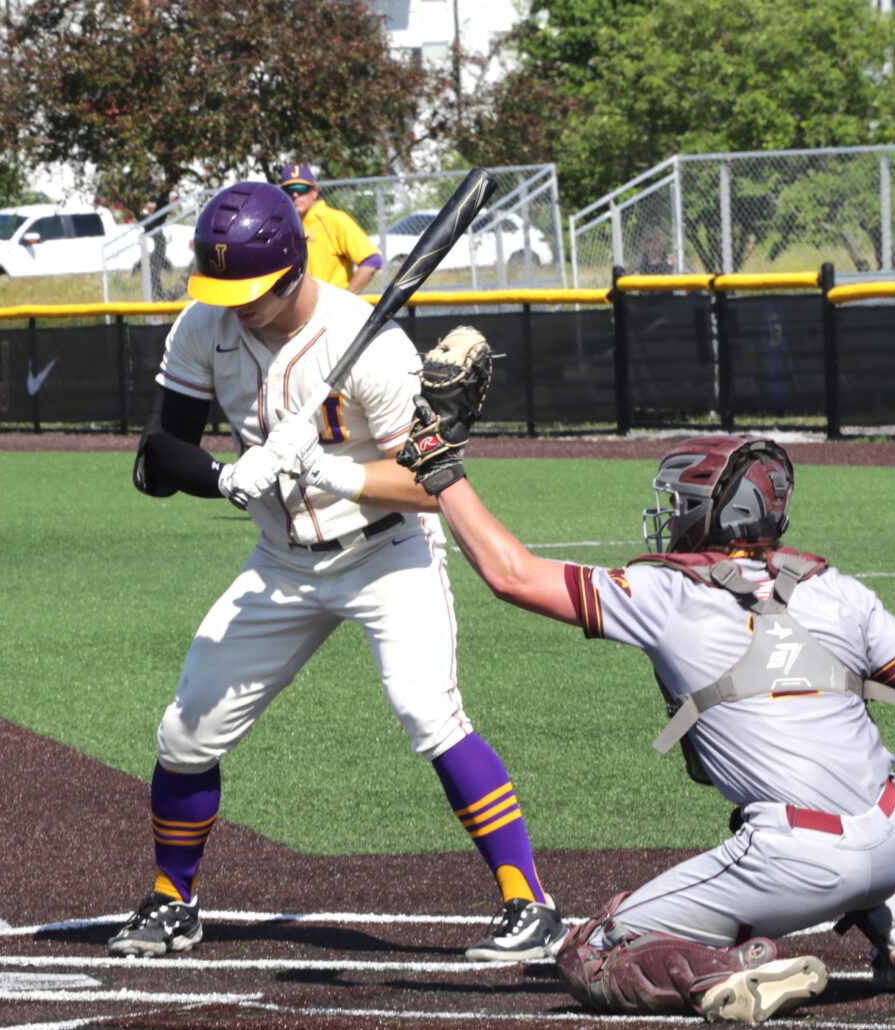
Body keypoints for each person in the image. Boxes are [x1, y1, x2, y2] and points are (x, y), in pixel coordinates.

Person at [393, 368, 895, 1025]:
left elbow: (512, 574)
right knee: (835, 786)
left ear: (710, 514)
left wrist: (443, 472)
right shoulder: (837, 587)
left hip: (796, 859)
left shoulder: (669, 595)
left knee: (590, 949)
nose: (670, 518)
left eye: (680, 503)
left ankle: (732, 969)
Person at [114, 181, 566, 963]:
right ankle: (171, 900)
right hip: (281, 562)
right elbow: (156, 458)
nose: (236, 305)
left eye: (250, 291)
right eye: (223, 290)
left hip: (389, 549)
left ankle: (529, 904)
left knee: (428, 711)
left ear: (293, 269)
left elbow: (431, 479)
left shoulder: (370, 345)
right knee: (185, 733)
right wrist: (223, 477)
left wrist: (329, 469)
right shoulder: (204, 326)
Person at [274, 162, 384, 294]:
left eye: (301, 188)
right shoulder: (285, 226)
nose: (295, 195)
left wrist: (345, 298)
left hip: (330, 307)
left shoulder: (333, 219)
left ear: (314, 192)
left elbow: (372, 260)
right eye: (288, 190)